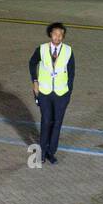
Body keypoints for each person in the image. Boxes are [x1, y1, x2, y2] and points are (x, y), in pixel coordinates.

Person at [29, 22, 74, 164]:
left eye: (60, 35)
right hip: (45, 92)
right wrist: (35, 81)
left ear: (63, 36)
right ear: (50, 34)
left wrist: (68, 93)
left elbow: (72, 73)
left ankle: (51, 151)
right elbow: (32, 63)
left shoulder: (68, 51)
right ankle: (41, 152)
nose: (58, 37)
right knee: (46, 121)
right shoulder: (41, 49)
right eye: (55, 34)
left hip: (61, 93)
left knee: (57, 123)